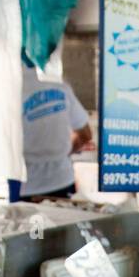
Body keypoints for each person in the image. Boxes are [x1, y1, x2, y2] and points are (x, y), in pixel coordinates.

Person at [18, 55, 91, 201]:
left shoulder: (10, 91)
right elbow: (85, 134)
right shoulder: (59, 84)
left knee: (31, 224)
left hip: (28, 187)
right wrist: (59, 153)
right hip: (63, 181)